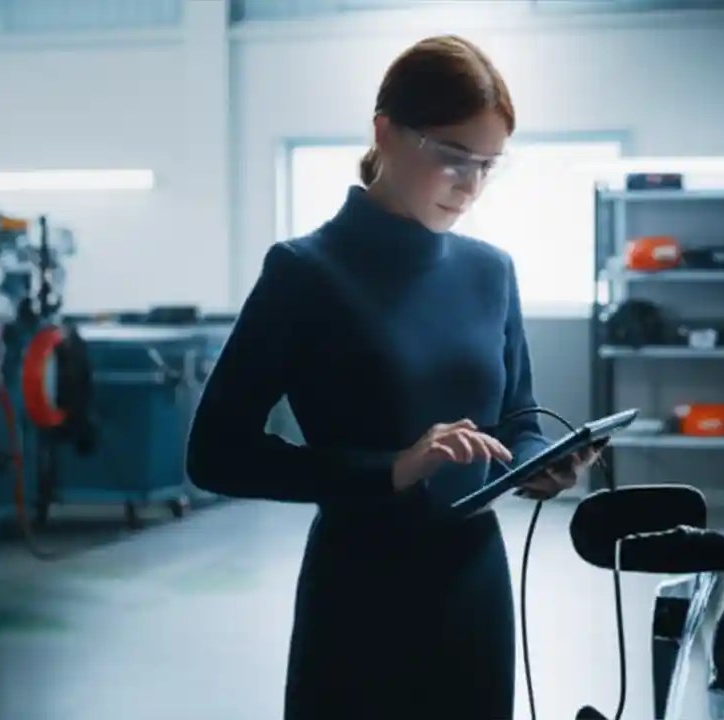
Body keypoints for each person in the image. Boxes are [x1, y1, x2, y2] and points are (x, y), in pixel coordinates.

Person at [187, 34, 602, 719]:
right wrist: (389, 471)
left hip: (475, 588)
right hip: (359, 596)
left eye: (488, 166)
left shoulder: (490, 271)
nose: (470, 187)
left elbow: (519, 419)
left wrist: (540, 464)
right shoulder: (304, 274)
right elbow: (215, 455)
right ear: (386, 133)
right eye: (452, 159)